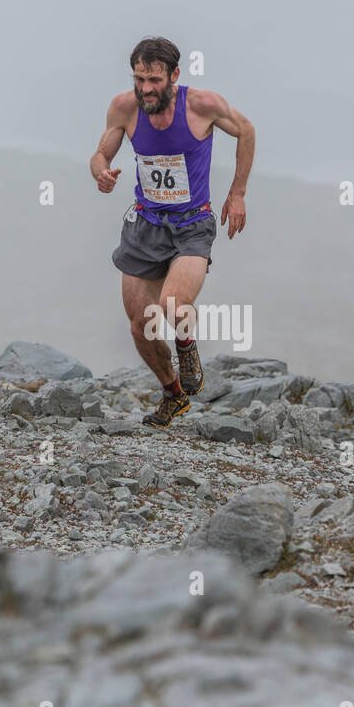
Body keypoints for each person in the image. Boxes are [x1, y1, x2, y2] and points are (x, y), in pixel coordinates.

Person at [91, 36, 254, 427]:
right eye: (139, 79)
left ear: (174, 75)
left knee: (171, 305)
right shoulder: (124, 108)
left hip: (192, 225)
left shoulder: (202, 106)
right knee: (139, 326)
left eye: (154, 80)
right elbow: (101, 154)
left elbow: (246, 131)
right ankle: (172, 394)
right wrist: (100, 172)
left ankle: (186, 349)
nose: (146, 88)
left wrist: (238, 193)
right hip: (146, 225)